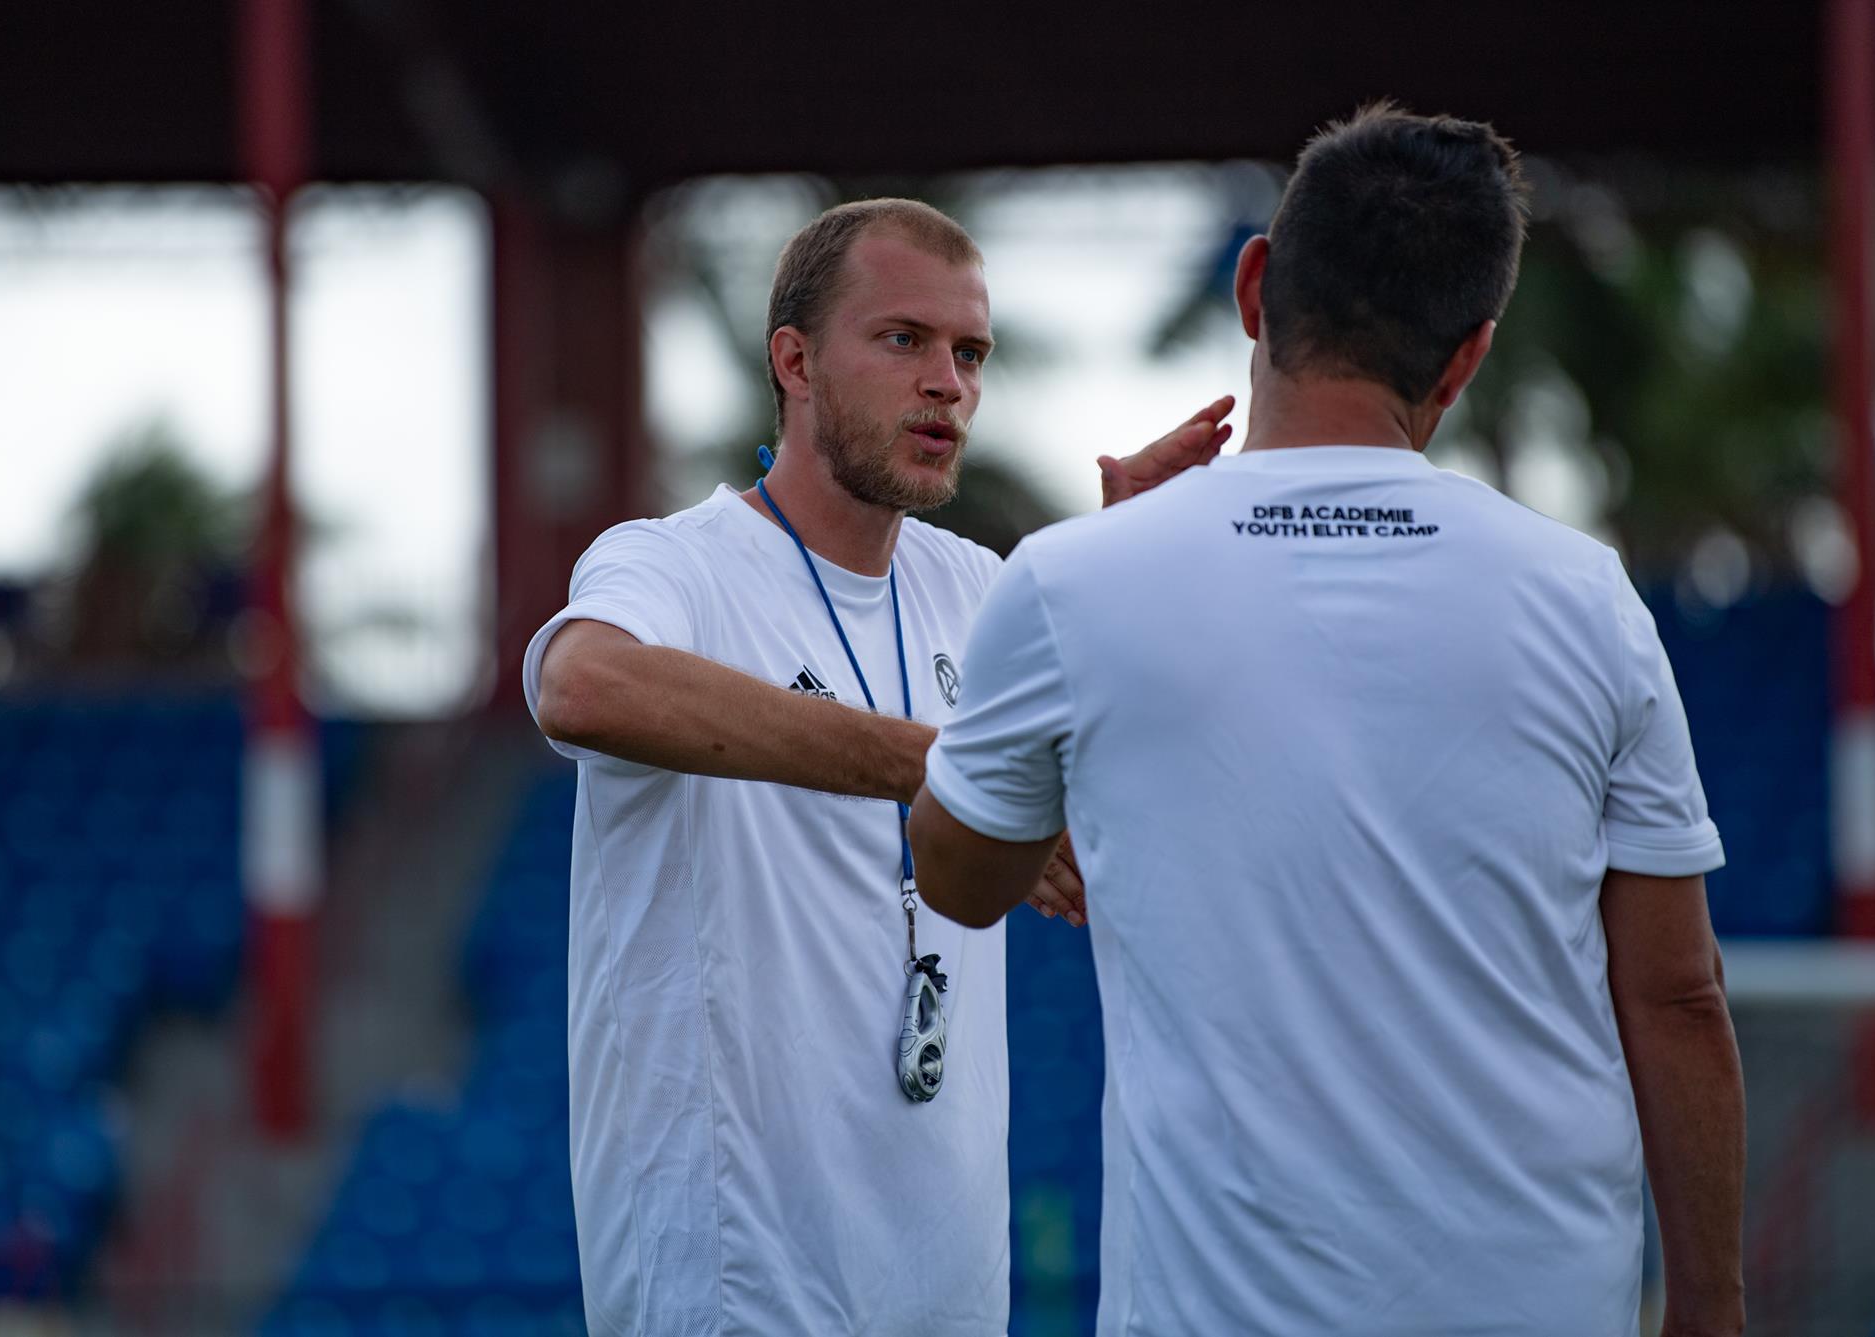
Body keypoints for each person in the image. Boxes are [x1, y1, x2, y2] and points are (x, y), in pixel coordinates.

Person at [911, 106, 1746, 1337]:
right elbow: (1673, 995)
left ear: (1255, 285)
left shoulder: (1072, 583)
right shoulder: (1587, 598)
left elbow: (960, 875)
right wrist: (1711, 1308)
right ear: (1465, 356)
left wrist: (1092, 590)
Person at [526, 197, 1230, 1335]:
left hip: (949, 1289)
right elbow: (583, 686)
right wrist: (931, 764)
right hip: (733, 1293)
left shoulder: (980, 589)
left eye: (969, 352)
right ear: (793, 361)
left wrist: (1120, 570)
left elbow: (1144, 774)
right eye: (902, 339)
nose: (946, 381)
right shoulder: (673, 564)